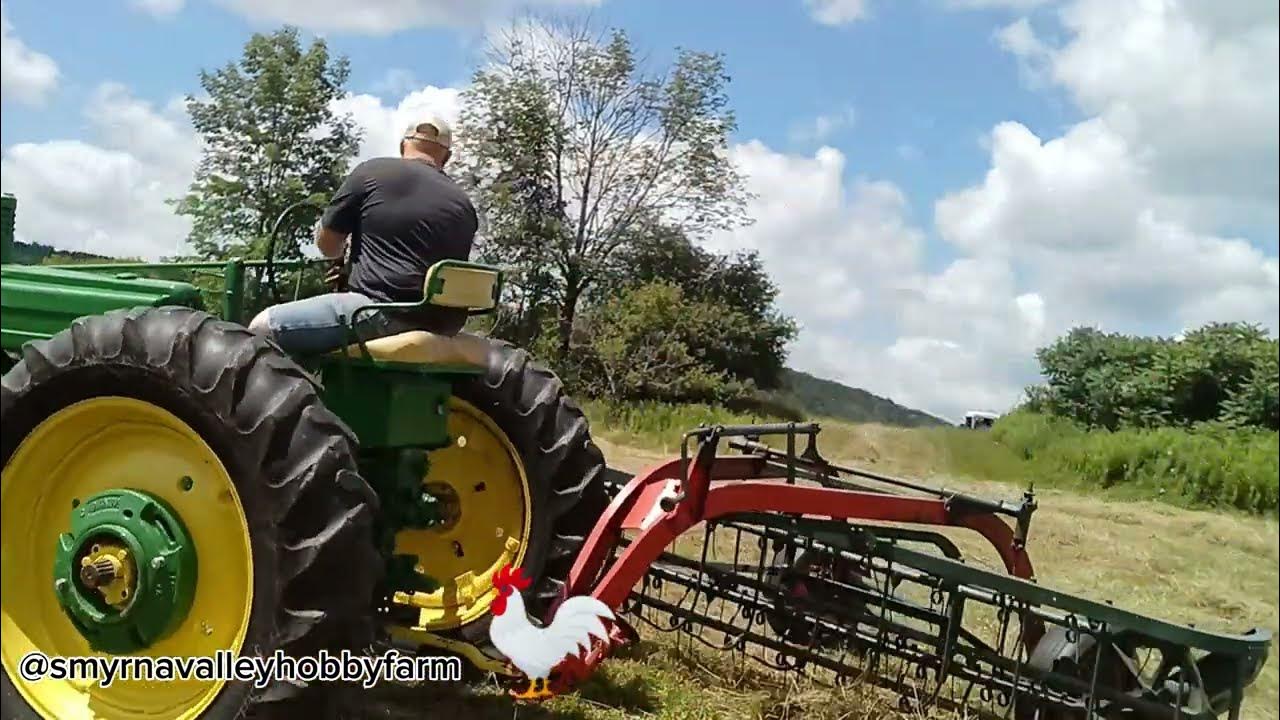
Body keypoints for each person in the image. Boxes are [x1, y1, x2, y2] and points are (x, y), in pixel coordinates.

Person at [248, 116, 479, 356]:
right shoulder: (464, 204)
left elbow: (328, 246)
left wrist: (341, 256)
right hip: (443, 325)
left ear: (403, 145)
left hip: (382, 311)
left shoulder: (372, 171)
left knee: (262, 327)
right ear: (447, 157)